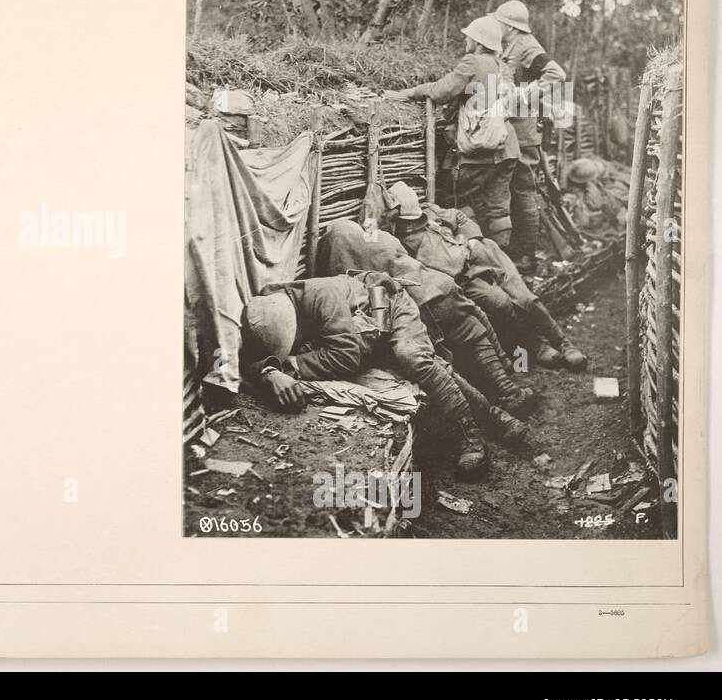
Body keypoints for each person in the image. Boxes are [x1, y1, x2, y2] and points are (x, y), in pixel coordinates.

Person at [241, 270, 494, 481]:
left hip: (389, 310)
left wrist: (292, 365)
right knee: (424, 367)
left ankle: (470, 436)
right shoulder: (266, 308)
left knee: (411, 357)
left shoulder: (321, 296)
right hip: (362, 335)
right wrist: (270, 371)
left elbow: (346, 357)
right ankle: (491, 414)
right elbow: (244, 359)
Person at [317, 217, 536, 427]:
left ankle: (493, 417)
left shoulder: (340, 260)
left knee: (441, 368)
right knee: (472, 331)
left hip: (419, 306)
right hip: (440, 287)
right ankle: (509, 392)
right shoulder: (382, 239)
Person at [386, 181, 588, 371]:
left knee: (525, 297)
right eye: (407, 222)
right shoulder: (398, 242)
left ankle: (563, 343)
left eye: (415, 219)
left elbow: (459, 216)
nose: (412, 224)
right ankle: (535, 346)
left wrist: (473, 240)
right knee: (500, 303)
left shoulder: (430, 212)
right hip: (465, 277)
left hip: (485, 254)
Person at [388, 15, 520, 250]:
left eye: (469, 37)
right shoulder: (503, 67)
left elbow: (441, 90)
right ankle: (503, 262)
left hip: (479, 147)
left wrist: (410, 93)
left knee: (458, 200)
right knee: (499, 207)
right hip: (507, 147)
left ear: (478, 42)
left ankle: (474, 260)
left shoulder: (473, 62)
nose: (466, 41)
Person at [494, 0, 567, 274]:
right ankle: (517, 249)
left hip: (525, 130)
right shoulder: (511, 45)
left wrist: (525, 96)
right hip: (513, 127)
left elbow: (556, 74)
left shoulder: (526, 46)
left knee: (523, 190)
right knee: (513, 189)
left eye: (500, 22)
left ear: (510, 27)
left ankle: (527, 256)